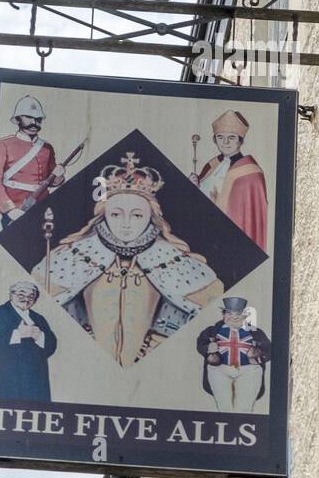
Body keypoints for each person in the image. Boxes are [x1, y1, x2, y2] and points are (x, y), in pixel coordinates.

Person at [38, 151, 223, 367]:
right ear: (103, 215)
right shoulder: (69, 257)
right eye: (116, 214)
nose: (126, 224)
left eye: (137, 215)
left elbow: (199, 312)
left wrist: (154, 351)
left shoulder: (176, 261)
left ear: (151, 218)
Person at [191, 110, 268, 250]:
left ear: (240, 141)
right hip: (205, 235)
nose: (225, 142)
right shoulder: (212, 166)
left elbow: (248, 219)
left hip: (229, 242)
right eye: (220, 137)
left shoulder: (251, 173)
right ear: (215, 139)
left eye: (231, 137)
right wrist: (194, 187)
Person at [0, 96, 66, 228]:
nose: (34, 122)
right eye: (29, 118)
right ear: (17, 119)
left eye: (38, 119)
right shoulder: (3, 144)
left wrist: (59, 175)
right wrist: (10, 210)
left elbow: (52, 180)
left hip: (43, 208)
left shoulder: (46, 148)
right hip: (15, 209)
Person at [0, 281, 57, 402]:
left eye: (31, 296)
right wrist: (16, 334)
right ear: (11, 295)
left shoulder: (39, 318)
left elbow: (52, 344)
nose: (26, 299)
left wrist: (40, 337)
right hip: (4, 381)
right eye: (21, 294)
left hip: (34, 382)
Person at [196, 296, 271, 412]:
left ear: (245, 316)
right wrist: (208, 349)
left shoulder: (256, 332)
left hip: (249, 370)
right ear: (223, 315)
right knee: (224, 407)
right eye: (229, 313)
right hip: (219, 369)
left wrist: (257, 355)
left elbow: (269, 349)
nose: (234, 317)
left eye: (238, 314)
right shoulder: (212, 330)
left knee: (245, 407)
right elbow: (201, 343)